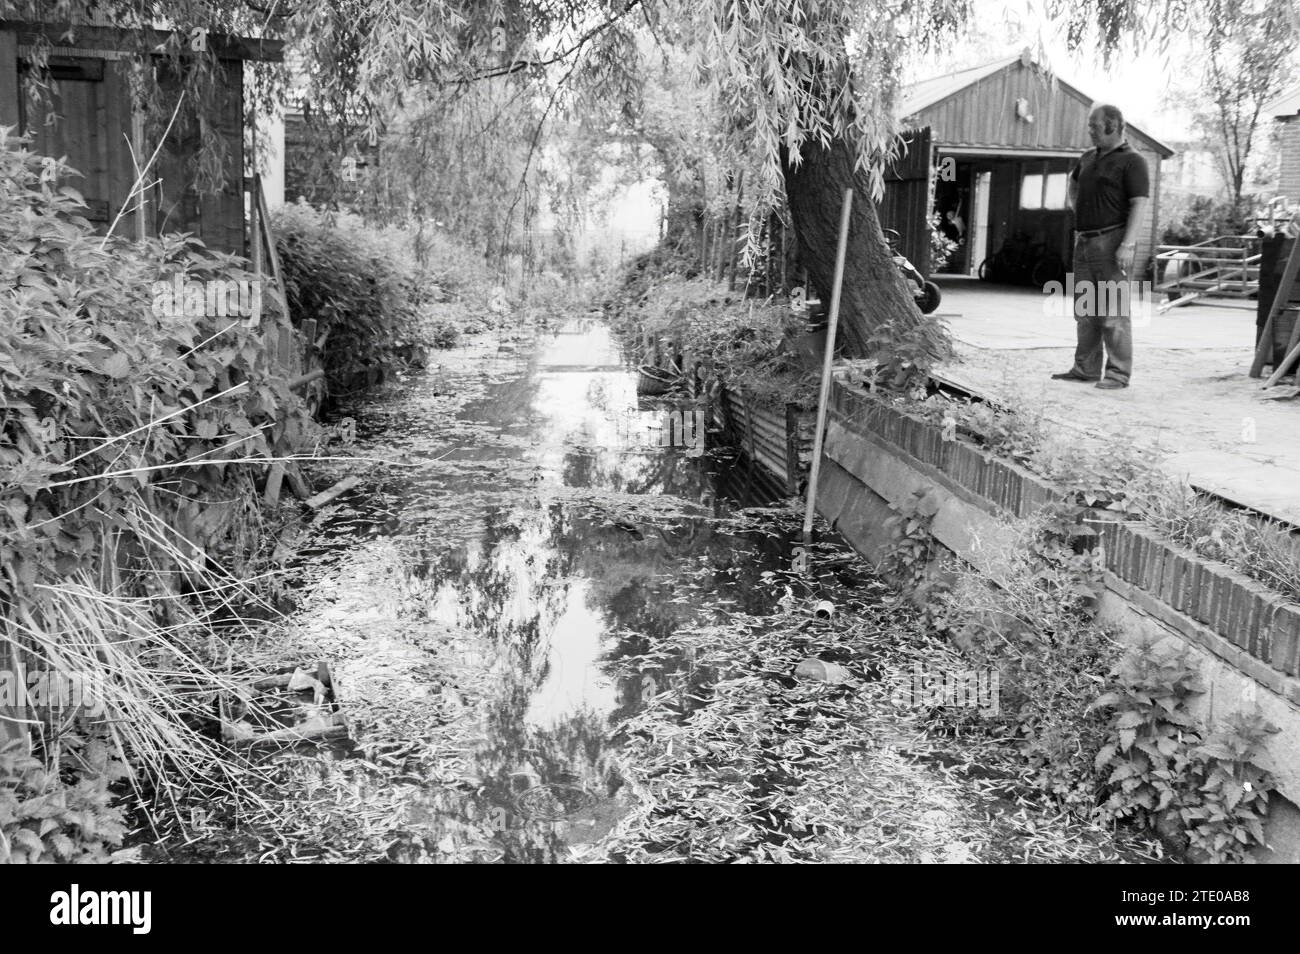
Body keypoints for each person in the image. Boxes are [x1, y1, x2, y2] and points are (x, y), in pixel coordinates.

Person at [1051, 104, 1150, 390]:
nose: (1090, 130)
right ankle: (1085, 368)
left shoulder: (1134, 162)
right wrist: (1076, 205)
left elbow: (1139, 204)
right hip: (1083, 241)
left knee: (1113, 312)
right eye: (1090, 126)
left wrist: (1128, 244)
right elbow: (1073, 184)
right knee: (1085, 311)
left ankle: (1118, 374)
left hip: (1113, 242)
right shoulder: (1087, 158)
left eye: (1094, 126)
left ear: (1113, 125)